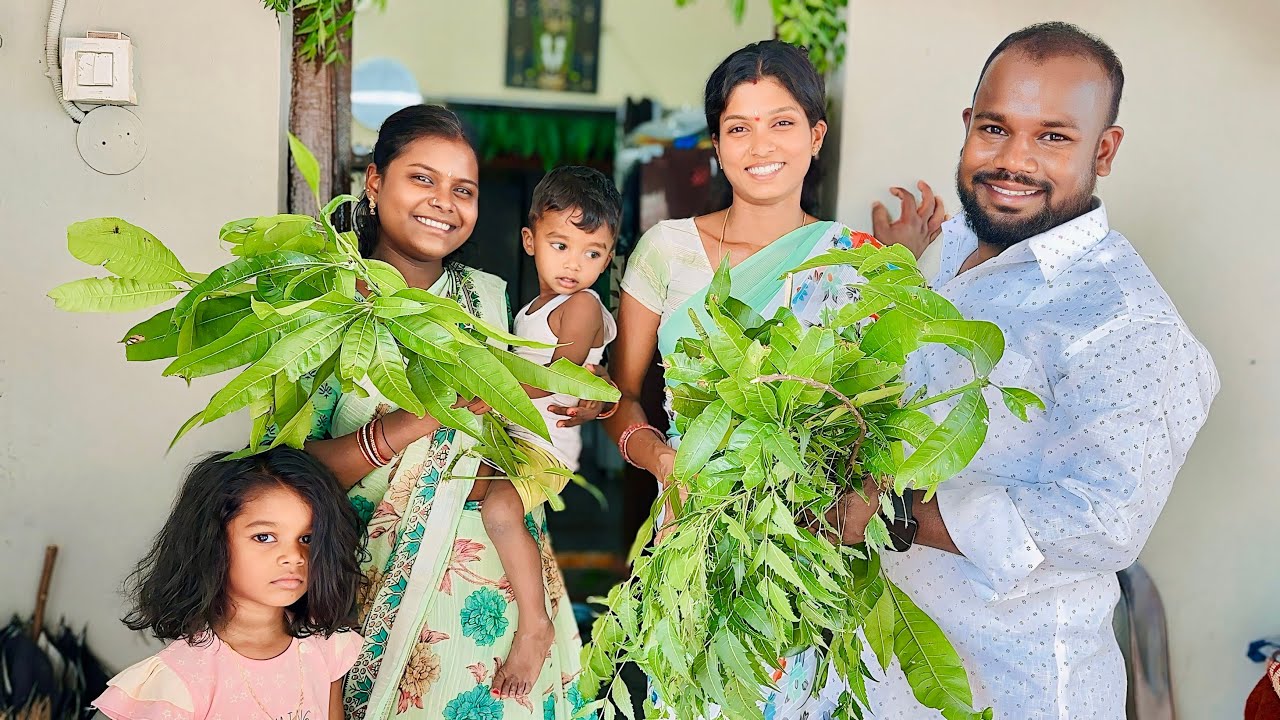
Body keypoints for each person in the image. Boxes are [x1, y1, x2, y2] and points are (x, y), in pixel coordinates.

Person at [820, 22, 1220, 718]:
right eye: (996, 129)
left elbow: (1102, 521)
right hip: (880, 667)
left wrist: (893, 513)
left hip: (1011, 685)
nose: (1014, 160)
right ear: (969, 124)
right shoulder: (951, 248)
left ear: (1105, 148)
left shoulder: (1125, 321)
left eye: (1053, 137)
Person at [603, 39, 916, 716]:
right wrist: (665, 463)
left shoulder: (854, 263)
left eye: (781, 122)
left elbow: (882, 415)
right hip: (694, 534)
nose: (759, 144)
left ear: (816, 135)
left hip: (806, 545)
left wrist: (859, 504)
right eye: (738, 127)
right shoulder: (668, 253)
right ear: (716, 144)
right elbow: (620, 399)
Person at [303, 105, 594, 719]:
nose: (444, 201)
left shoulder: (490, 299)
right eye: (423, 179)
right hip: (362, 586)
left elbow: (535, 395)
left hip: (493, 598)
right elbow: (285, 475)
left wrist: (578, 393)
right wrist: (418, 420)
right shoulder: (320, 305)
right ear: (376, 182)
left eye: (464, 189)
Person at [478, 165, 619, 698]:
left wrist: (487, 388)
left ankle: (536, 625)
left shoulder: (581, 307)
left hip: (545, 449)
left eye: (594, 253)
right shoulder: (533, 307)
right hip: (515, 441)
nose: (575, 264)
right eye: (561, 245)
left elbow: (555, 374)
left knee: (498, 511)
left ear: (608, 258)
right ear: (530, 239)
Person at [91, 448, 365, 720]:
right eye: (264, 537)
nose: (294, 557)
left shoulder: (326, 647)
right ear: (212, 543)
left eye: (307, 538)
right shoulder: (180, 680)